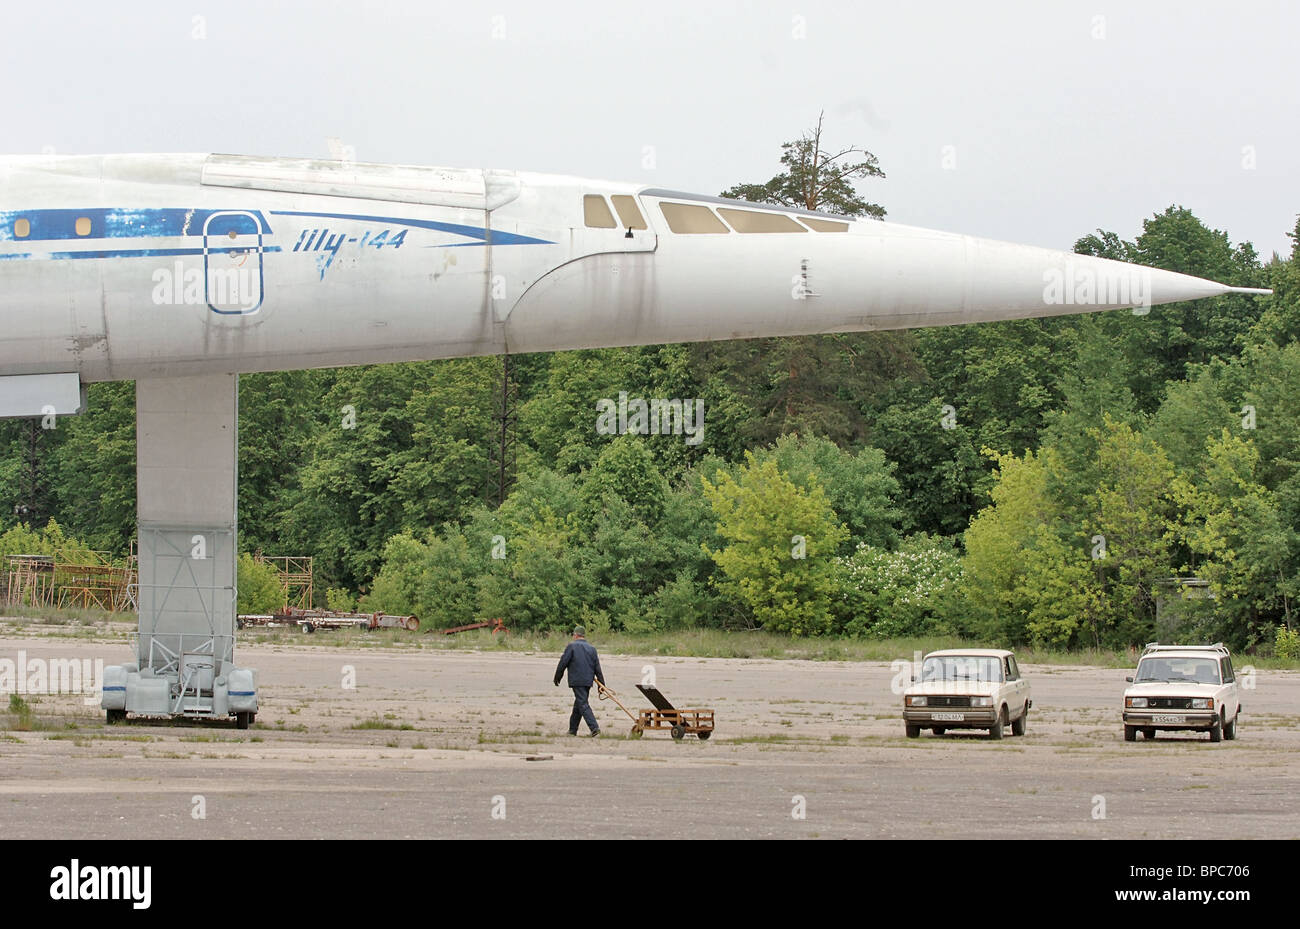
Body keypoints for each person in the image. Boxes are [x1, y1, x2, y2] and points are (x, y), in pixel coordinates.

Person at [553, 625, 604, 737]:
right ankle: (572, 730)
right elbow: (597, 668)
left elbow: (563, 662)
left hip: (577, 680)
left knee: (582, 704)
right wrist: (602, 684)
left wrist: (557, 676)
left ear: (575, 635)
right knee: (579, 704)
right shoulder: (592, 649)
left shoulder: (571, 646)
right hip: (588, 681)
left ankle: (594, 728)